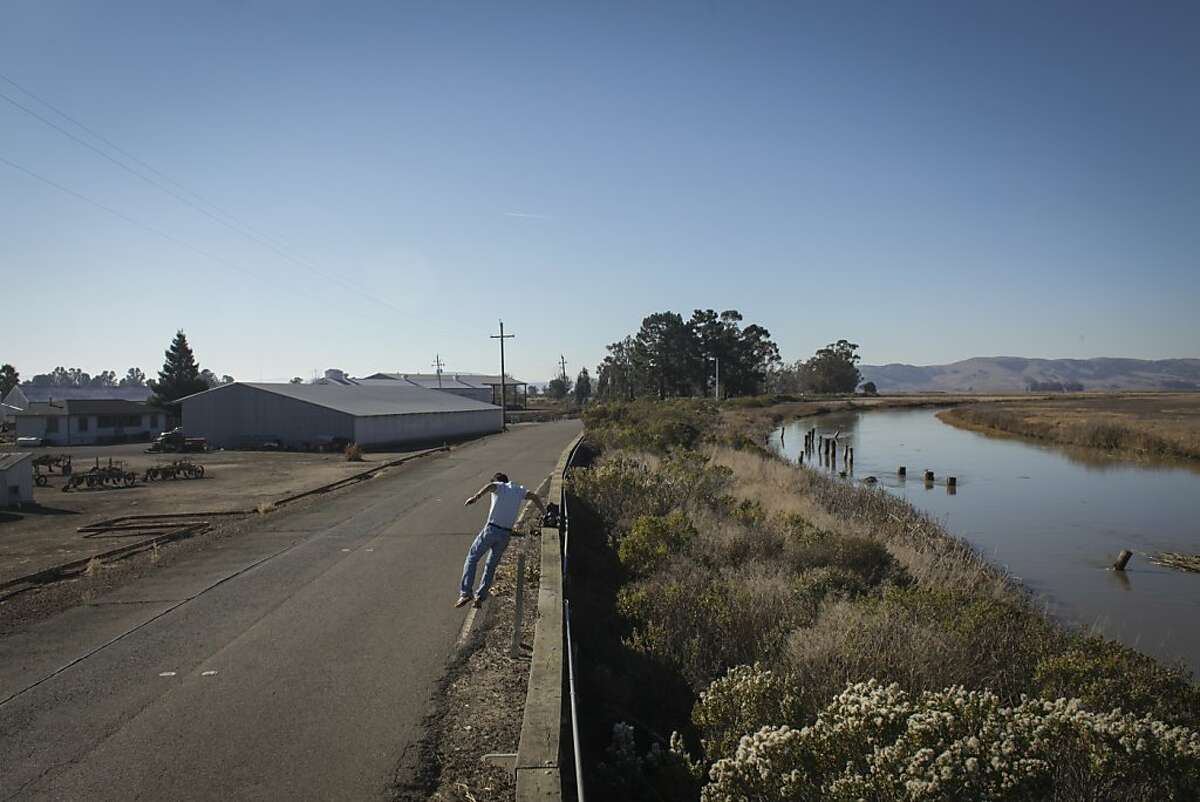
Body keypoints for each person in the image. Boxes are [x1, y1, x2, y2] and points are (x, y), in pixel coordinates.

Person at [458, 472, 545, 608]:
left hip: (491, 530)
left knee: (472, 558)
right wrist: (545, 513)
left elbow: (491, 486)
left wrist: (476, 497)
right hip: (506, 534)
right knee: (491, 566)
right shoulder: (518, 490)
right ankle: (480, 596)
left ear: (499, 481)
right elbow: (534, 497)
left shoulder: (500, 486)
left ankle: (465, 592)